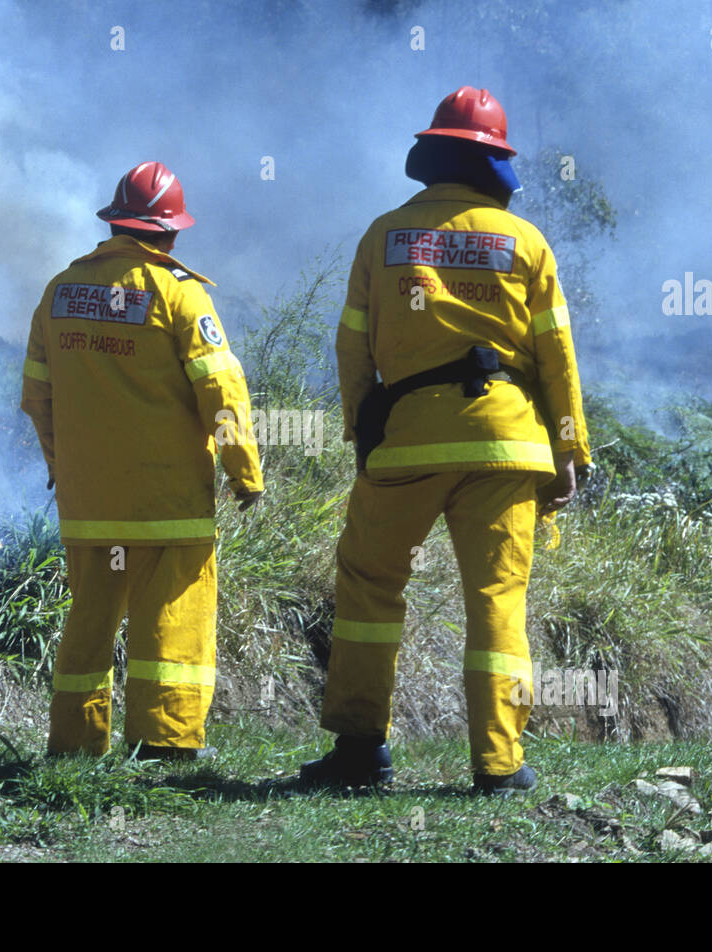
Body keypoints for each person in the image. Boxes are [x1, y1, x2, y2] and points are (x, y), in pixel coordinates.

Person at [300, 87, 592, 794]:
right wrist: (570, 450)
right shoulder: (526, 242)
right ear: (493, 163)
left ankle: (361, 751)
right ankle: (499, 766)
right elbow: (557, 356)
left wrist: (362, 430)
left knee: (370, 588)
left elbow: (351, 348)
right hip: (509, 443)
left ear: (430, 157)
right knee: (497, 599)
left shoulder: (384, 236)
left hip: (405, 444)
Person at [21, 161, 264, 761]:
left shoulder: (60, 291)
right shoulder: (181, 295)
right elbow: (222, 394)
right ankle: (166, 742)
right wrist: (245, 473)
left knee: (89, 620)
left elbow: (36, 396)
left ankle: (76, 745)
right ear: (171, 233)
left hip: (89, 503)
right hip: (166, 500)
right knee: (174, 614)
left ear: (115, 223)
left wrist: (64, 467)